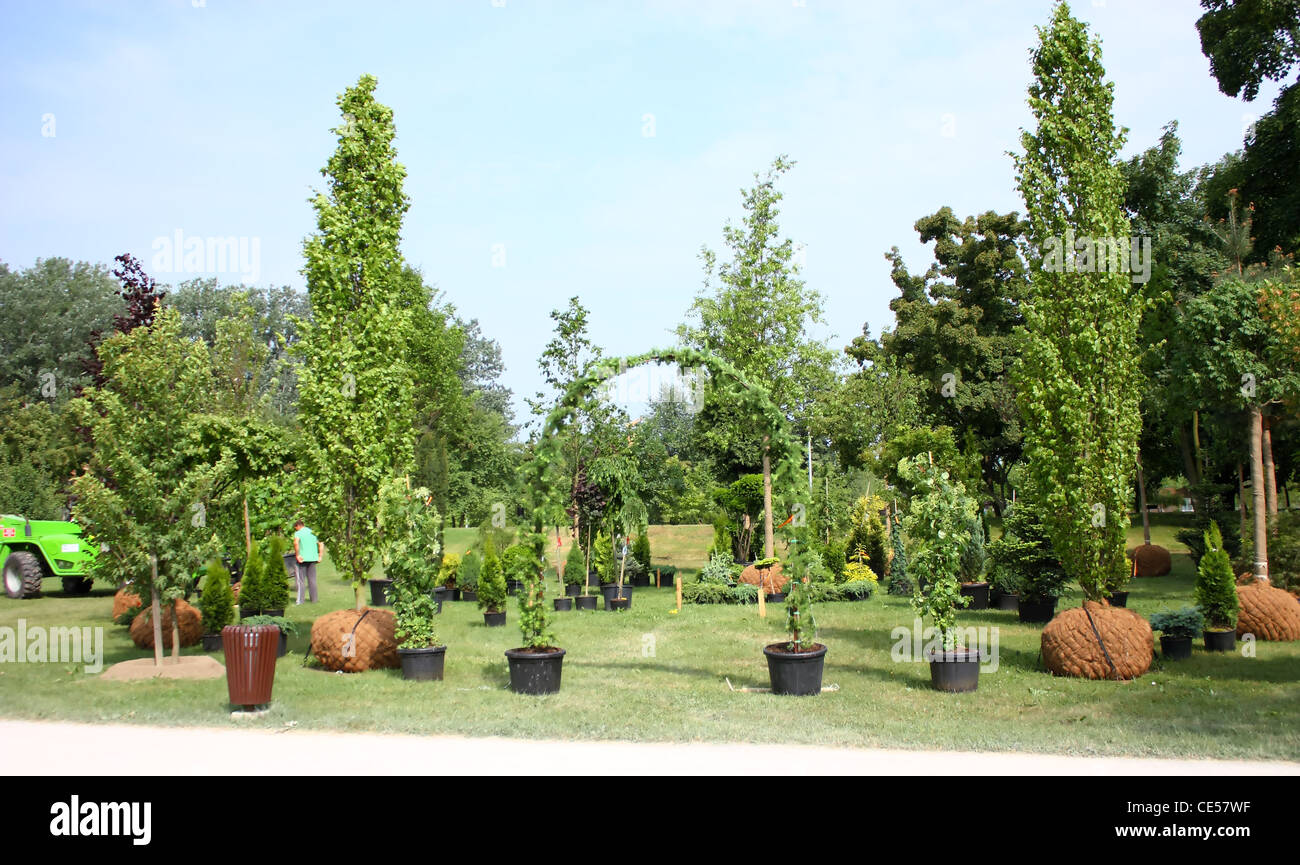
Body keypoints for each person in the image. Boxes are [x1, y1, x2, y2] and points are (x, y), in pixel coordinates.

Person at [292, 518, 321, 605]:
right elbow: (321, 543)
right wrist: (320, 556)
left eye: (295, 528)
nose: (295, 530)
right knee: (312, 580)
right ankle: (314, 599)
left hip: (302, 559)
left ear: (298, 526)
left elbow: (296, 543)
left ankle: (300, 600)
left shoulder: (298, 533)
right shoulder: (312, 532)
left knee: (301, 580)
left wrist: (297, 555)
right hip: (313, 558)